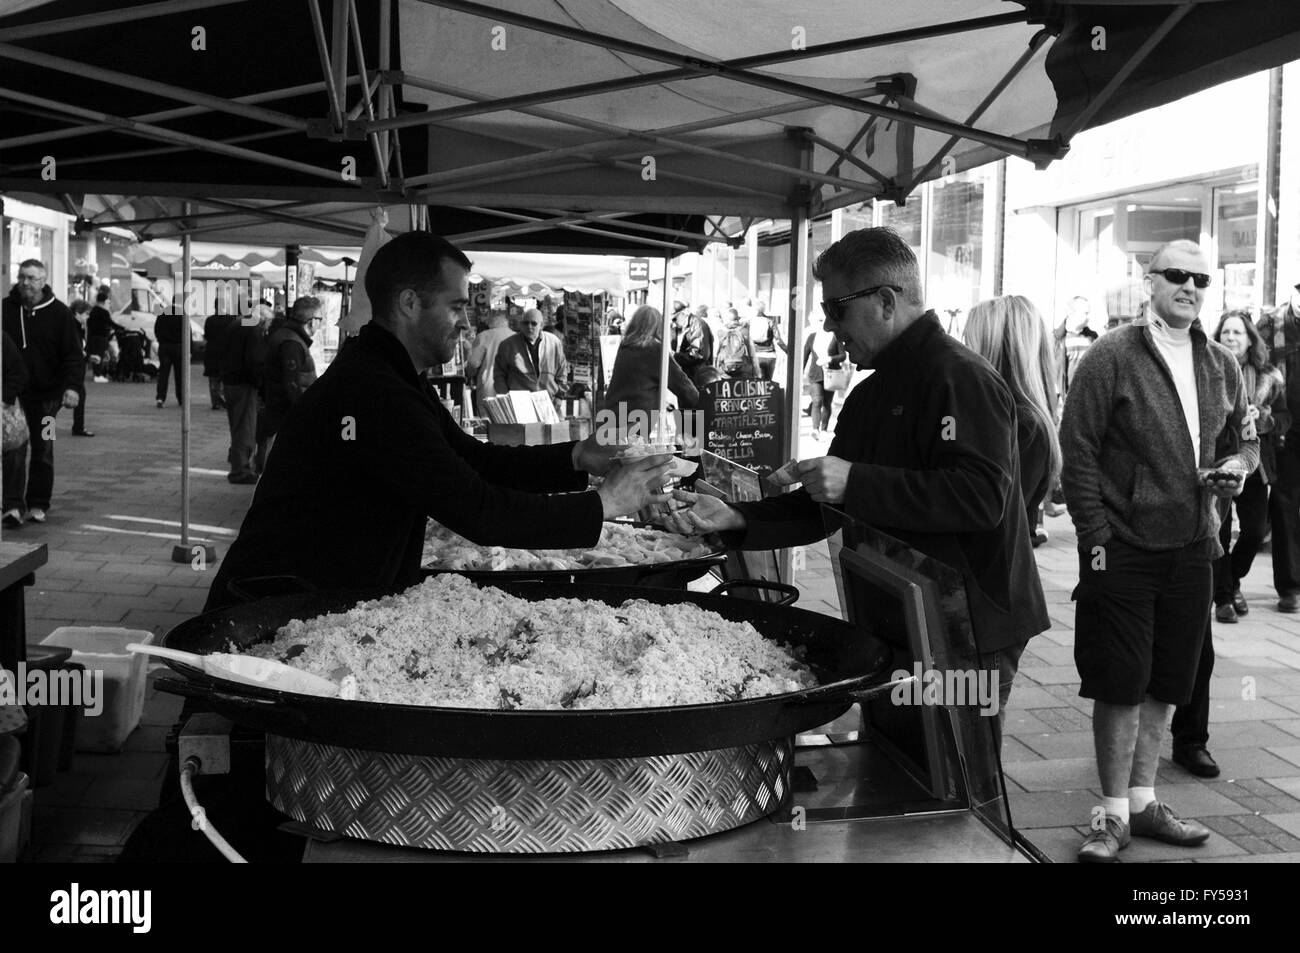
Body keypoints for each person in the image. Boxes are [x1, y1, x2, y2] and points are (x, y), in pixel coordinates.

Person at [663, 227, 1048, 748]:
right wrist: (738, 518)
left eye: (837, 309)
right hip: (901, 612)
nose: (829, 326)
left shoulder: (959, 377)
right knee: (899, 757)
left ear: (886, 301)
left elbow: (981, 499)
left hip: (966, 624)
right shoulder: (872, 392)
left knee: (955, 774)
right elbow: (829, 503)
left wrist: (855, 480)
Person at [204, 231, 672, 611]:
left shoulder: (393, 374)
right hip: (275, 609)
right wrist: (604, 503)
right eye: (457, 305)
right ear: (410, 303)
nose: (467, 322)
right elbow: (478, 509)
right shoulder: (374, 390)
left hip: (311, 599)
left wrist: (576, 457)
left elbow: (474, 459)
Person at [1061, 240, 1258, 862]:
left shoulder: (1222, 362)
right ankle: (1111, 815)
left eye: (1201, 278)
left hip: (1193, 545)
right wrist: (1096, 538)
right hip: (1122, 546)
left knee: (1168, 680)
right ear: (1150, 280)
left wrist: (1234, 467)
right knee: (1120, 682)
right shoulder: (1111, 354)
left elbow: (1245, 443)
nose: (1190, 286)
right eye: (1177, 275)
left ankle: (1143, 804)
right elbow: (1079, 449)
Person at [963, 295, 1061, 537]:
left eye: (969, 341)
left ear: (994, 348)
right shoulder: (1003, 414)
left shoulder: (1024, 424)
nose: (963, 350)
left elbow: (986, 518)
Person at [0, 259, 81, 525]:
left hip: (49, 399)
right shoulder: (6, 310)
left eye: (32, 278)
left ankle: (38, 503)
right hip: (15, 399)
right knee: (14, 449)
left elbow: (73, 354)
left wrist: (72, 387)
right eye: (23, 276)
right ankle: (12, 505)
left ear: (43, 280)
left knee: (44, 447)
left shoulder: (60, 313)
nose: (26, 283)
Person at [1257, 285, 1300, 613]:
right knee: (1284, 508)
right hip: (1286, 430)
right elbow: (1258, 369)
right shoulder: (1270, 325)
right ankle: (1290, 586)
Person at [601, 305, 698, 416]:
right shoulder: (655, 349)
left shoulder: (625, 345)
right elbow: (682, 385)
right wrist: (704, 405)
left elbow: (636, 383)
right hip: (635, 419)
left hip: (612, 413)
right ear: (658, 327)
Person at [219, 304, 270, 485]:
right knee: (245, 427)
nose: (267, 329)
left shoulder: (236, 324)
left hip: (230, 380)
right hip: (244, 383)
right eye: (267, 324)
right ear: (262, 319)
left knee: (237, 425)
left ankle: (237, 463)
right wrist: (259, 384)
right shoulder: (253, 330)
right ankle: (240, 470)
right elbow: (254, 360)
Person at [261, 296, 321, 445]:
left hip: (279, 414)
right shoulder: (291, 343)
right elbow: (291, 384)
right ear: (312, 321)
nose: (321, 324)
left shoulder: (287, 336)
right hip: (284, 418)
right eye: (320, 319)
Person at [493, 308, 569, 398]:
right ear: (521, 325)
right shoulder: (508, 345)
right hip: (520, 400)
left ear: (541, 325)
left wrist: (560, 396)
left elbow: (562, 371)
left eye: (534, 323)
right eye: (526, 323)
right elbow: (499, 375)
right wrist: (505, 397)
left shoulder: (554, 342)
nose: (529, 327)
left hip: (548, 398)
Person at [1, 330, 30, 528]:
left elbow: (19, 373)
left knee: (45, 445)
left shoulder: (59, 315)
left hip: (47, 406)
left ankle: (21, 505)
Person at [464, 312, 514, 407]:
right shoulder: (516, 336)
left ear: (490, 323)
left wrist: (468, 372)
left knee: (489, 419)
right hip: (513, 388)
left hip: (489, 388)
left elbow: (474, 364)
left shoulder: (484, 336)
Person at [203, 309, 238, 411]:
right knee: (225, 379)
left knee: (213, 379)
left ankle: (216, 402)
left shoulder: (209, 320)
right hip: (226, 352)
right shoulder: (230, 320)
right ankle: (225, 400)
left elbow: (207, 335)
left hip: (212, 353)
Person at [68, 301, 93, 437]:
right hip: (70, 371)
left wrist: (87, 356)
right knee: (53, 405)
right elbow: (74, 348)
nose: (87, 317)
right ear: (77, 313)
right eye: (86, 314)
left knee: (80, 397)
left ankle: (78, 427)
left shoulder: (79, 327)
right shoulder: (72, 327)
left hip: (75, 371)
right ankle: (45, 432)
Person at [85, 287, 121, 383]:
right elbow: (110, 323)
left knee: (96, 355)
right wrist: (121, 328)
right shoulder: (104, 312)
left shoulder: (93, 312)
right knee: (99, 355)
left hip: (93, 337)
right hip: (101, 337)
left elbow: (89, 325)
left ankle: (96, 374)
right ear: (104, 301)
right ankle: (98, 375)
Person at [714, 307, 757, 379]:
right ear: (737, 319)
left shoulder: (721, 332)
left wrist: (715, 368)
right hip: (743, 368)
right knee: (742, 388)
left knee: (725, 388)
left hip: (725, 368)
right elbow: (752, 352)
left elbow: (716, 353)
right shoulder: (744, 331)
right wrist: (756, 370)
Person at [154, 308, 184, 407]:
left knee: (163, 373)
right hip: (178, 347)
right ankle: (181, 398)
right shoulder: (181, 315)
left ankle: (160, 398)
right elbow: (187, 332)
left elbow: (156, 329)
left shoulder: (163, 313)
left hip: (164, 347)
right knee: (179, 374)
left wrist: (161, 340)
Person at [673, 304, 713, 378]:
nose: (673, 323)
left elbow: (699, 354)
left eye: (674, 319)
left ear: (683, 313)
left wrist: (675, 356)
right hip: (688, 371)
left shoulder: (698, 325)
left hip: (697, 373)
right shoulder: (680, 327)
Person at [750, 303, 780, 381]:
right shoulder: (771, 321)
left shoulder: (750, 322)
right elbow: (778, 340)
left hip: (756, 355)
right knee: (768, 381)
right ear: (764, 310)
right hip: (770, 356)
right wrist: (788, 351)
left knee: (757, 382)